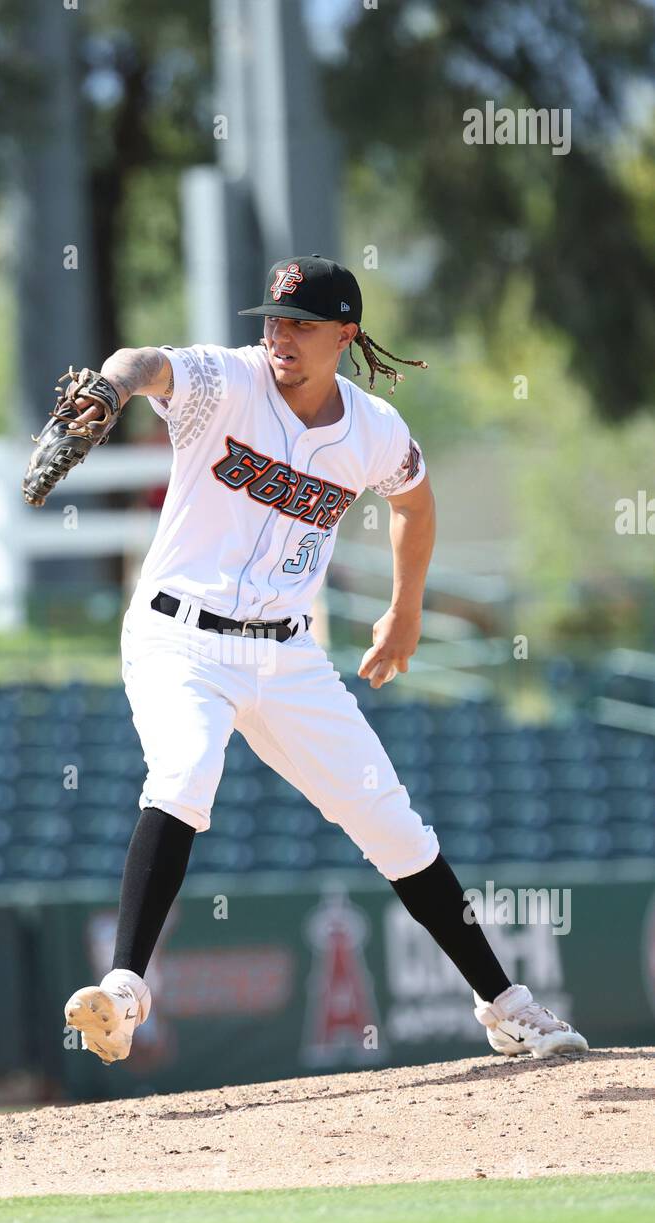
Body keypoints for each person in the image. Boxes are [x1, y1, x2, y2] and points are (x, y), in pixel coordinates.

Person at [62, 254, 588, 1066]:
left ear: (345, 333)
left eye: (302, 323)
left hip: (288, 652)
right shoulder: (224, 382)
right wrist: (112, 384)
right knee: (185, 775)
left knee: (391, 823)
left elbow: (413, 500)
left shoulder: (374, 430)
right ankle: (125, 990)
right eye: (273, 319)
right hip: (179, 637)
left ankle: (507, 1006)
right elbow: (144, 363)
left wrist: (404, 608)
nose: (281, 335)